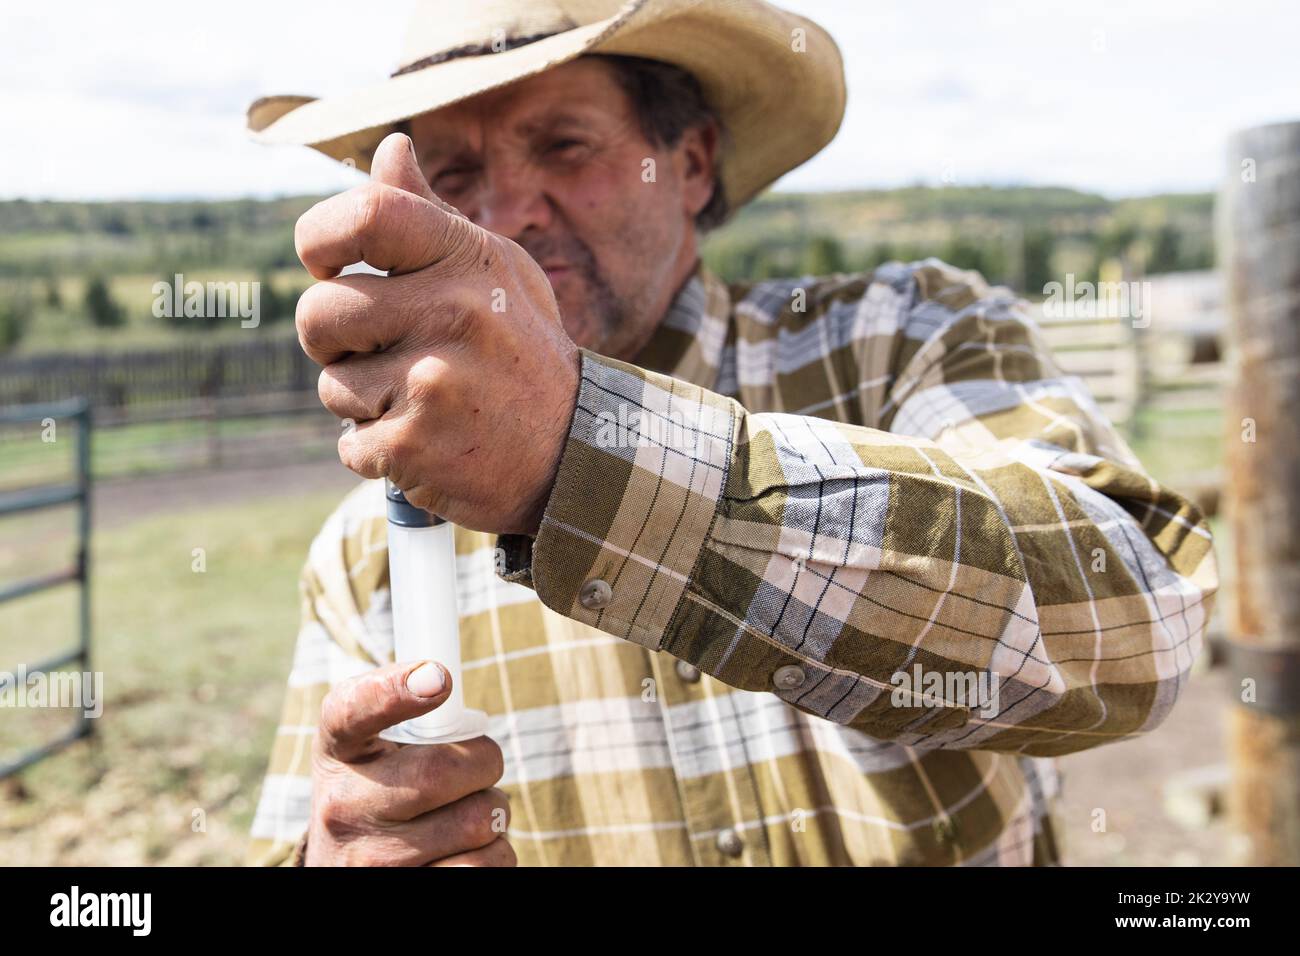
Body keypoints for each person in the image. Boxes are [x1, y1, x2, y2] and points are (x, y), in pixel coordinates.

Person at [243, 0, 1218, 866]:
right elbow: (314, 818)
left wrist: (576, 452)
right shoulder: (371, 548)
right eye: (454, 172)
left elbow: (1138, 620)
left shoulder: (897, 342)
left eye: (564, 146)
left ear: (692, 162)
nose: (504, 217)